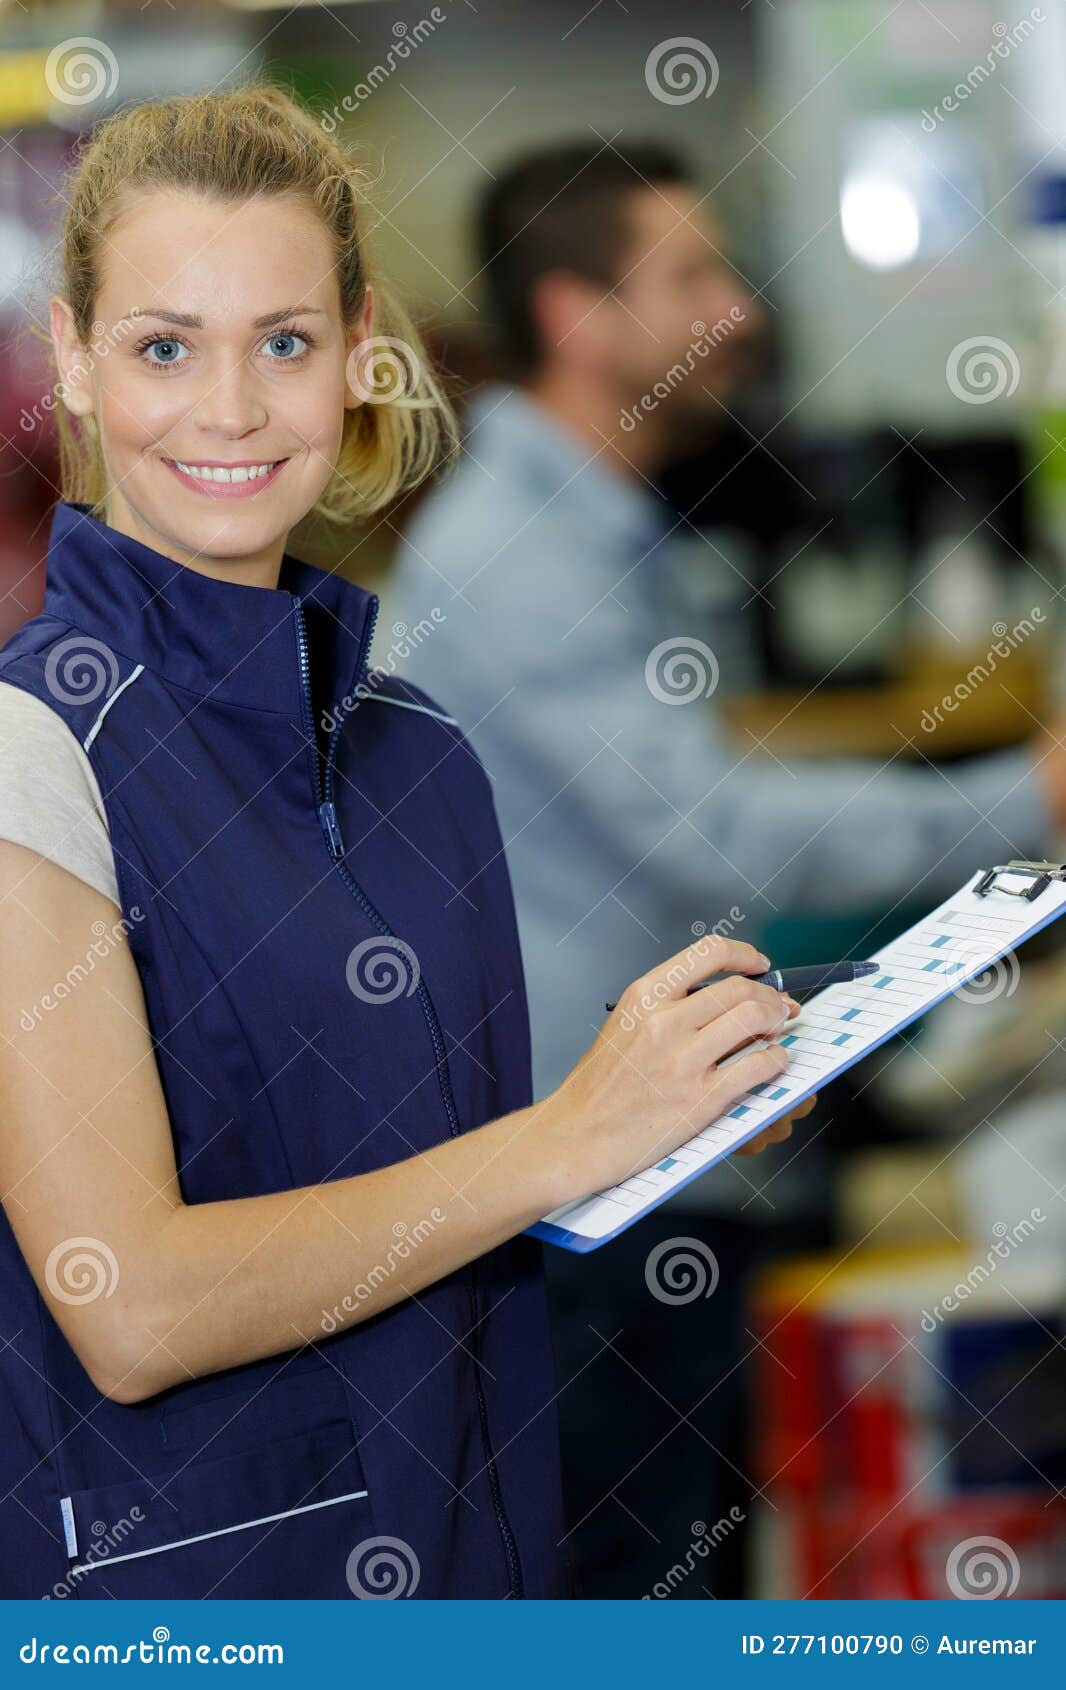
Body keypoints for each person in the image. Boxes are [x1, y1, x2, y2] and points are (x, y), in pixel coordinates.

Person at [0, 87, 807, 1602]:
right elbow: (133, 1303)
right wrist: (565, 1137)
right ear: (74, 363)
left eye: (286, 343)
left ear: (360, 351)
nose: (231, 408)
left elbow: (444, 1182)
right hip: (210, 1596)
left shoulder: (413, 751)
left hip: (472, 1542)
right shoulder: (32, 758)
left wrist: (661, 1112)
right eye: (165, 345)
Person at [384, 140, 1066, 1595]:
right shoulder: (512, 552)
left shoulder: (593, 524)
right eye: (688, 274)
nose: (734, 308)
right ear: (578, 317)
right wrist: (1027, 795)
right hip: (594, 1189)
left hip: (648, 1156)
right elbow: (709, 830)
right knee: (627, 1586)